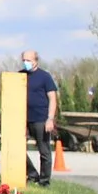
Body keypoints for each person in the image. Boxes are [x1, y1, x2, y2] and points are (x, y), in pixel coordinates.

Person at [21, 50, 59, 185]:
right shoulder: (21, 76)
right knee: (18, 149)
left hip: (41, 119)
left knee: (44, 151)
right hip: (23, 119)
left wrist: (50, 118)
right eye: (24, 60)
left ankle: (44, 181)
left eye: (29, 60)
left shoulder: (45, 77)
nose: (26, 63)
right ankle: (32, 175)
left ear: (36, 61)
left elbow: (52, 98)